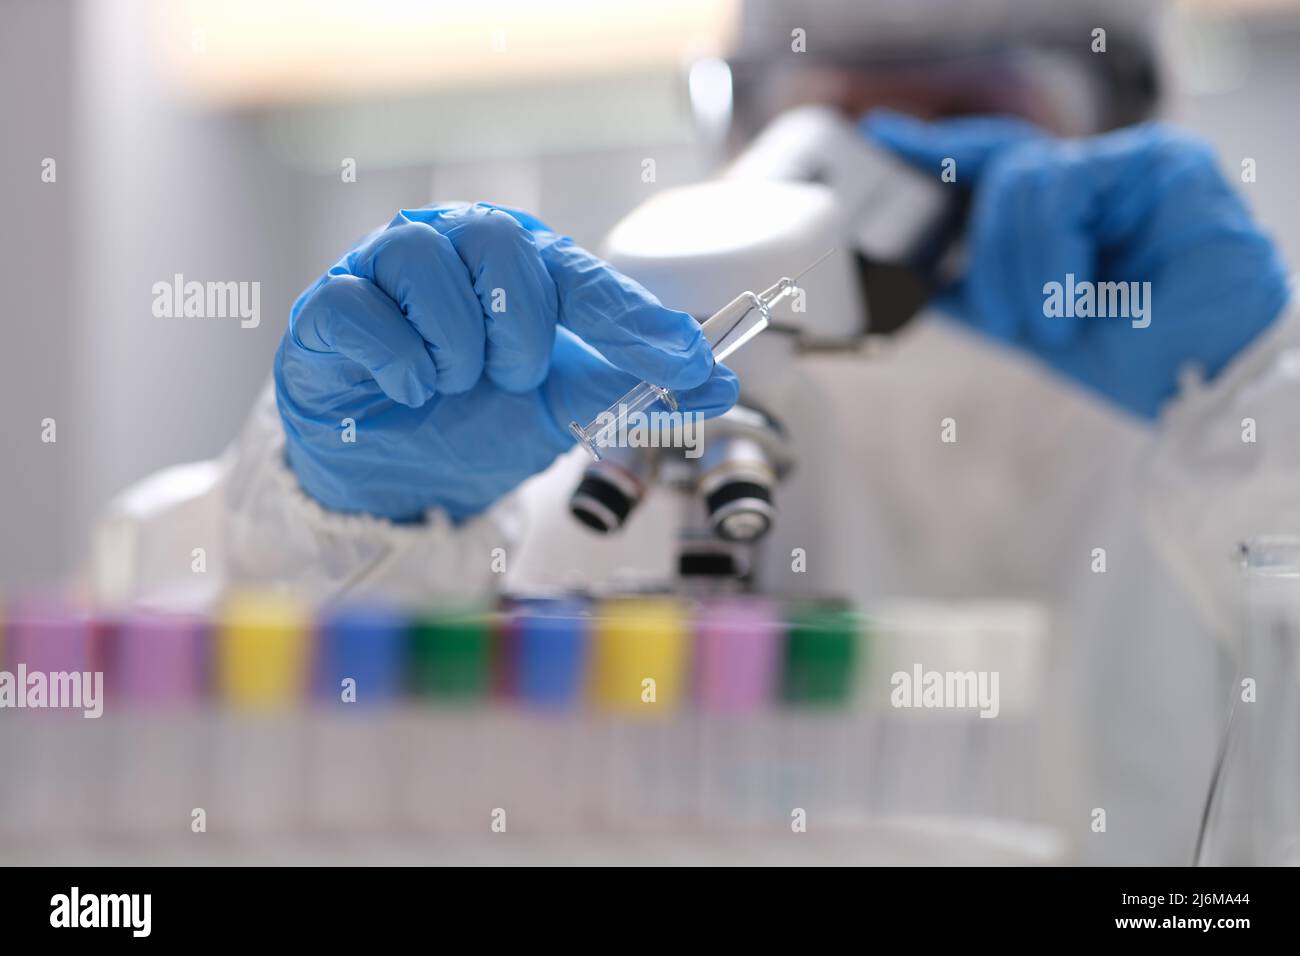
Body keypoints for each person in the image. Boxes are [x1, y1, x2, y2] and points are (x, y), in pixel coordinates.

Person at [89, 17, 1298, 860]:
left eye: (971, 119)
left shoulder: (1246, 446)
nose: (889, 184)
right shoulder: (627, 460)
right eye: (843, 123)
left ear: (1120, 130)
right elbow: (223, 775)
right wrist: (340, 526)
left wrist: (1259, 408)